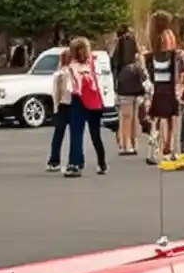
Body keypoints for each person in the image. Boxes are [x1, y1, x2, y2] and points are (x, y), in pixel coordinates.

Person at [143, 11, 184, 165]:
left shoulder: (154, 40)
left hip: (158, 84)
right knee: (170, 117)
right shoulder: (168, 36)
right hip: (169, 83)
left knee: (158, 118)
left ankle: (156, 150)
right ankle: (169, 148)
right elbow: (173, 57)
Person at [64, 37, 108, 177]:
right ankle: (102, 163)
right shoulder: (94, 62)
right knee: (96, 135)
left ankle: (75, 163)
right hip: (94, 101)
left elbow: (70, 86)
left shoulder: (72, 66)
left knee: (76, 133)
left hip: (78, 100)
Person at [46, 48, 74, 172]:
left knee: (58, 134)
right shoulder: (74, 72)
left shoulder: (60, 74)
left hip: (63, 105)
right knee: (75, 134)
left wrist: (55, 107)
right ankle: (74, 160)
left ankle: (54, 160)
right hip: (74, 104)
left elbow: (56, 93)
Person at [115, 52, 148, 155]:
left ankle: (124, 144)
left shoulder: (124, 69)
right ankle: (131, 144)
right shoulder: (138, 69)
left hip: (123, 95)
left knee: (125, 120)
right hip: (134, 95)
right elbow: (146, 83)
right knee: (133, 120)